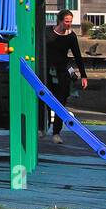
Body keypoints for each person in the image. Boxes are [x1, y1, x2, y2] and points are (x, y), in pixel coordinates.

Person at [45, 9, 88, 144]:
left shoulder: (71, 36)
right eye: (66, 21)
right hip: (47, 70)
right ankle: (43, 126)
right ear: (60, 20)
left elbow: (77, 56)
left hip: (63, 71)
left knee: (61, 101)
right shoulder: (48, 32)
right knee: (45, 99)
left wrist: (83, 75)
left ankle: (56, 132)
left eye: (70, 21)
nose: (69, 24)